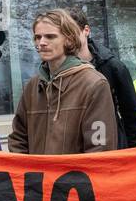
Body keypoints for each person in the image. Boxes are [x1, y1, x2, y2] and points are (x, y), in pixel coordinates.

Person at [10, 9, 118, 154]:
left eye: (50, 36)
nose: (41, 43)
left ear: (69, 39)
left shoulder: (94, 84)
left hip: (75, 176)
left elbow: (100, 149)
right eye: (37, 37)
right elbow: (18, 139)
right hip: (37, 176)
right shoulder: (33, 86)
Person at [70, 6, 136, 149]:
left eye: (72, 32)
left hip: (111, 146)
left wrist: (127, 149)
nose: (68, 38)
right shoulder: (57, 69)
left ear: (86, 31)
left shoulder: (113, 67)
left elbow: (131, 114)